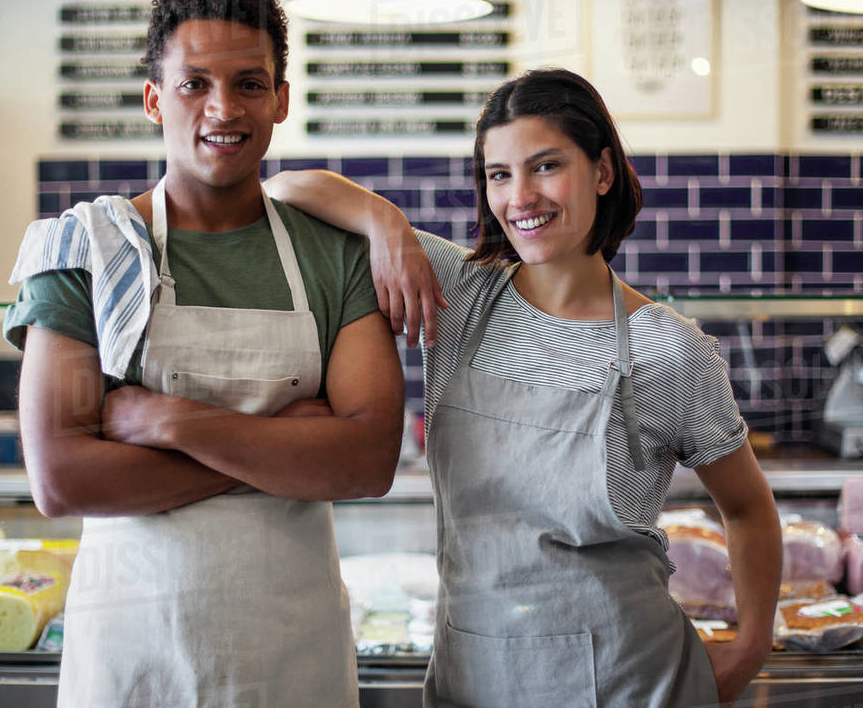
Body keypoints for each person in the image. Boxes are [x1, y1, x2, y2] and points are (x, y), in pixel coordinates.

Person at [265, 68, 782, 707]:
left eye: (545, 166)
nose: (521, 197)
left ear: (602, 171)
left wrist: (752, 644)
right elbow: (284, 190)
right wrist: (384, 222)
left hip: (629, 680)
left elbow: (749, 509)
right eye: (499, 174)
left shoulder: (667, 349)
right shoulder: (456, 292)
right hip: (474, 673)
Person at [4, 0, 404, 707]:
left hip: (294, 657)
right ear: (155, 99)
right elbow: (62, 478)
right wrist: (278, 450)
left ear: (281, 99)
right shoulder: (83, 250)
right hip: (132, 658)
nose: (224, 108)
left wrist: (170, 422)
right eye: (194, 84)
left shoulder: (335, 254)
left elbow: (366, 460)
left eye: (251, 83)